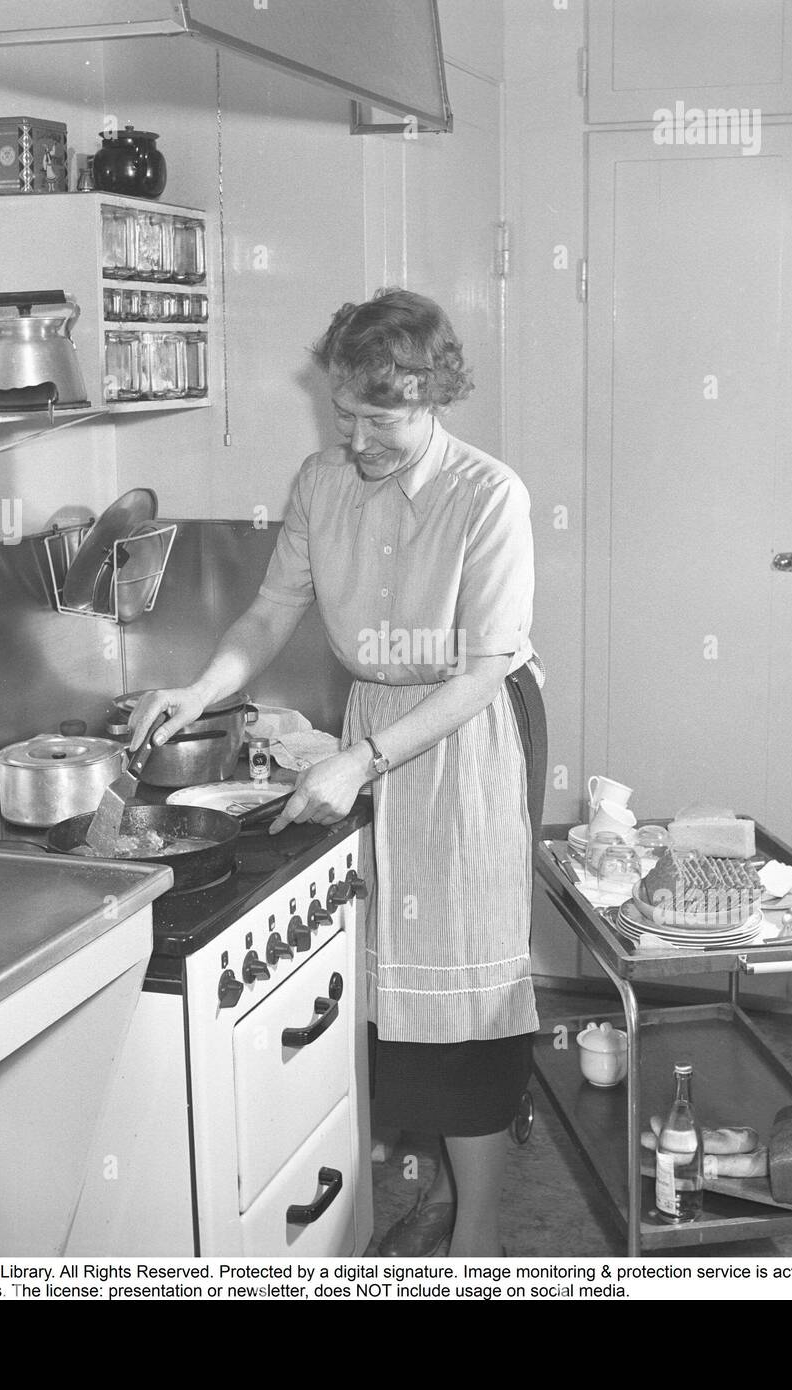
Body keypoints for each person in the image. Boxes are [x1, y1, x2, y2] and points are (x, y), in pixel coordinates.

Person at [127, 288, 547, 1257]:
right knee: (381, 998)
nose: (356, 437)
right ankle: (418, 1194)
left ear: (434, 395)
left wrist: (364, 758)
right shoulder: (322, 483)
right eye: (344, 412)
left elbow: (486, 667)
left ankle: (476, 1233)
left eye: (380, 417)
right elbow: (272, 612)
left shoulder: (490, 497)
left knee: (462, 995)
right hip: (370, 737)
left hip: (462, 742)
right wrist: (197, 691)